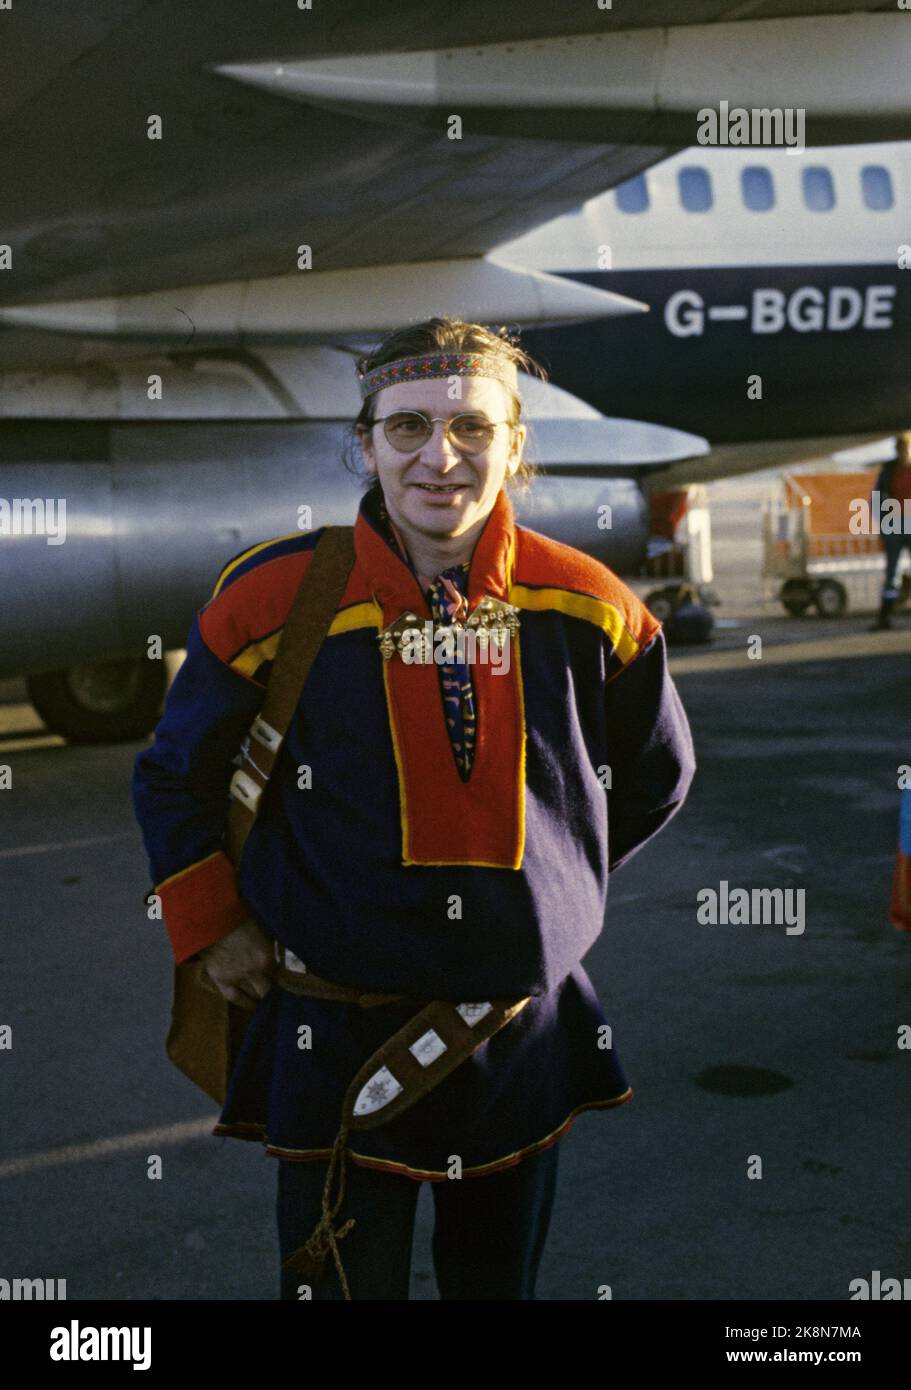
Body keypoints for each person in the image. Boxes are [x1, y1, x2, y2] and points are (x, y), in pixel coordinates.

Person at [132, 317, 696, 1301]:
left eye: (471, 428)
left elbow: (651, 777)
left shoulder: (592, 605)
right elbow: (174, 776)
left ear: (514, 445)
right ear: (364, 443)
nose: (439, 457)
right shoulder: (264, 601)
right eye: (407, 429)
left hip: (515, 1038)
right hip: (329, 1035)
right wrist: (214, 925)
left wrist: (550, 890)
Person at [870, 430, 911, 630]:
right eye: (901, 448)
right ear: (897, 450)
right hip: (894, 525)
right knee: (892, 572)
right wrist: (883, 524)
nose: (903, 452)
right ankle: (885, 616)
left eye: (906, 449)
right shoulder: (888, 471)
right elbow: (876, 499)